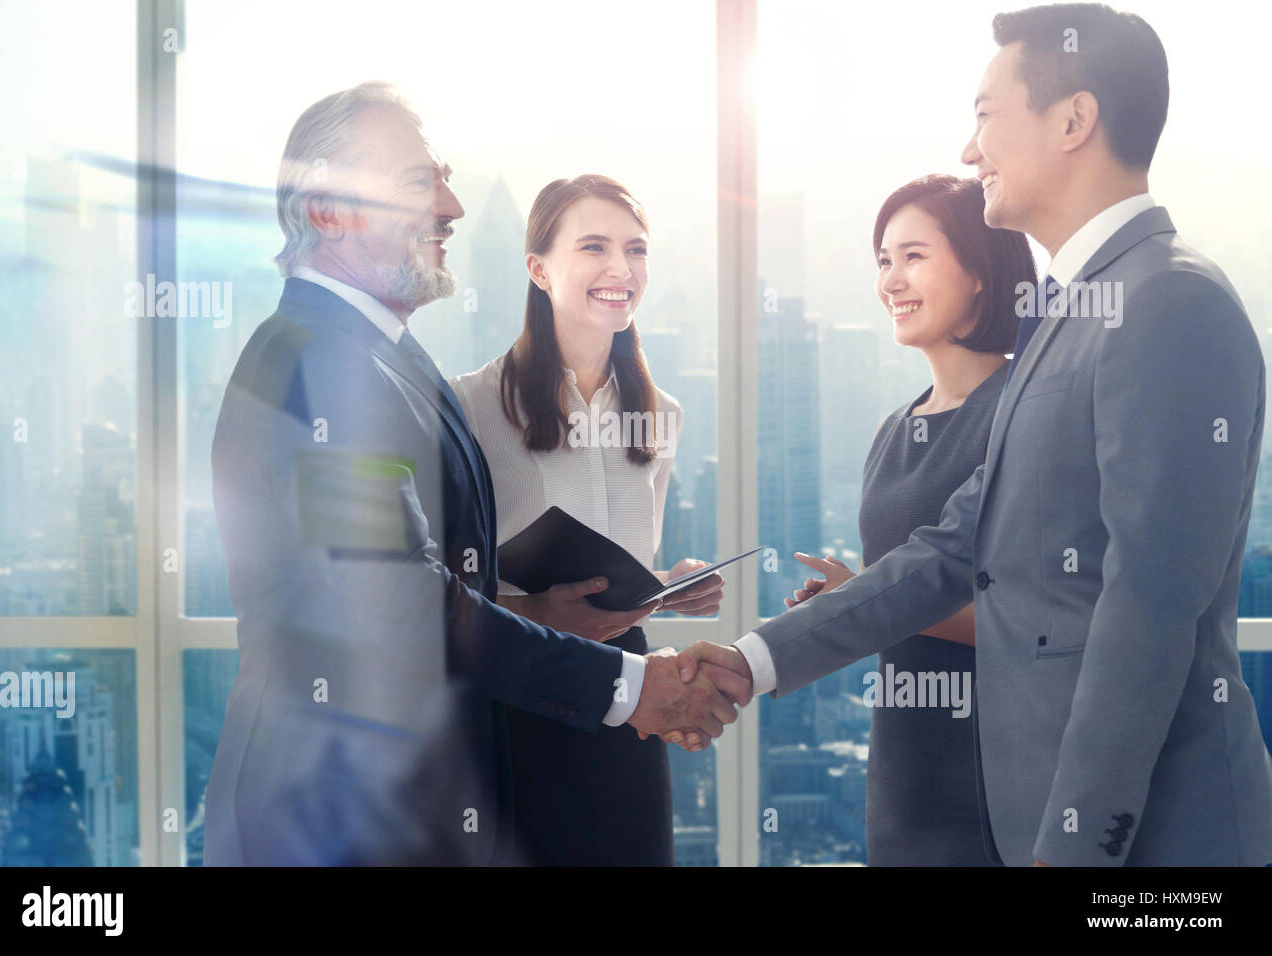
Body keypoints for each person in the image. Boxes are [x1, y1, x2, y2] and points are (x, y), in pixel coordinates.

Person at [679, 3, 1272, 866]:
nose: (969, 149)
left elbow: (1146, 607)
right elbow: (955, 547)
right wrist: (750, 661)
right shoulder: (1063, 319)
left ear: (1074, 121)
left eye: (986, 116)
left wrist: (1074, 847)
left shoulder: (1168, 302)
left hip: (1154, 846)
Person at [204, 83, 748, 866]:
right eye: (418, 183)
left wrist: (551, 613)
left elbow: (432, 578)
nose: (452, 206)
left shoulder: (392, 359)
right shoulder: (319, 364)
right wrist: (630, 689)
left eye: (444, 177)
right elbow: (399, 602)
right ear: (327, 211)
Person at [450, 174, 723, 865]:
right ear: (538, 269)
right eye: (594, 247)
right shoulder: (470, 408)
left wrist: (669, 584)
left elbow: (619, 569)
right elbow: (439, 592)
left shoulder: (662, 417)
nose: (619, 269)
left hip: (629, 697)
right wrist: (536, 609)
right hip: (521, 694)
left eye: (636, 250)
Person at [787, 174, 1035, 865]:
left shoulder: (1026, 412)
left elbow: (1039, 621)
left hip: (998, 779)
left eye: (914, 256)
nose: (891, 280)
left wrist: (866, 597)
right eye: (883, 259)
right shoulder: (891, 429)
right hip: (901, 780)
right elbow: (897, 602)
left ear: (982, 271)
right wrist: (855, 601)